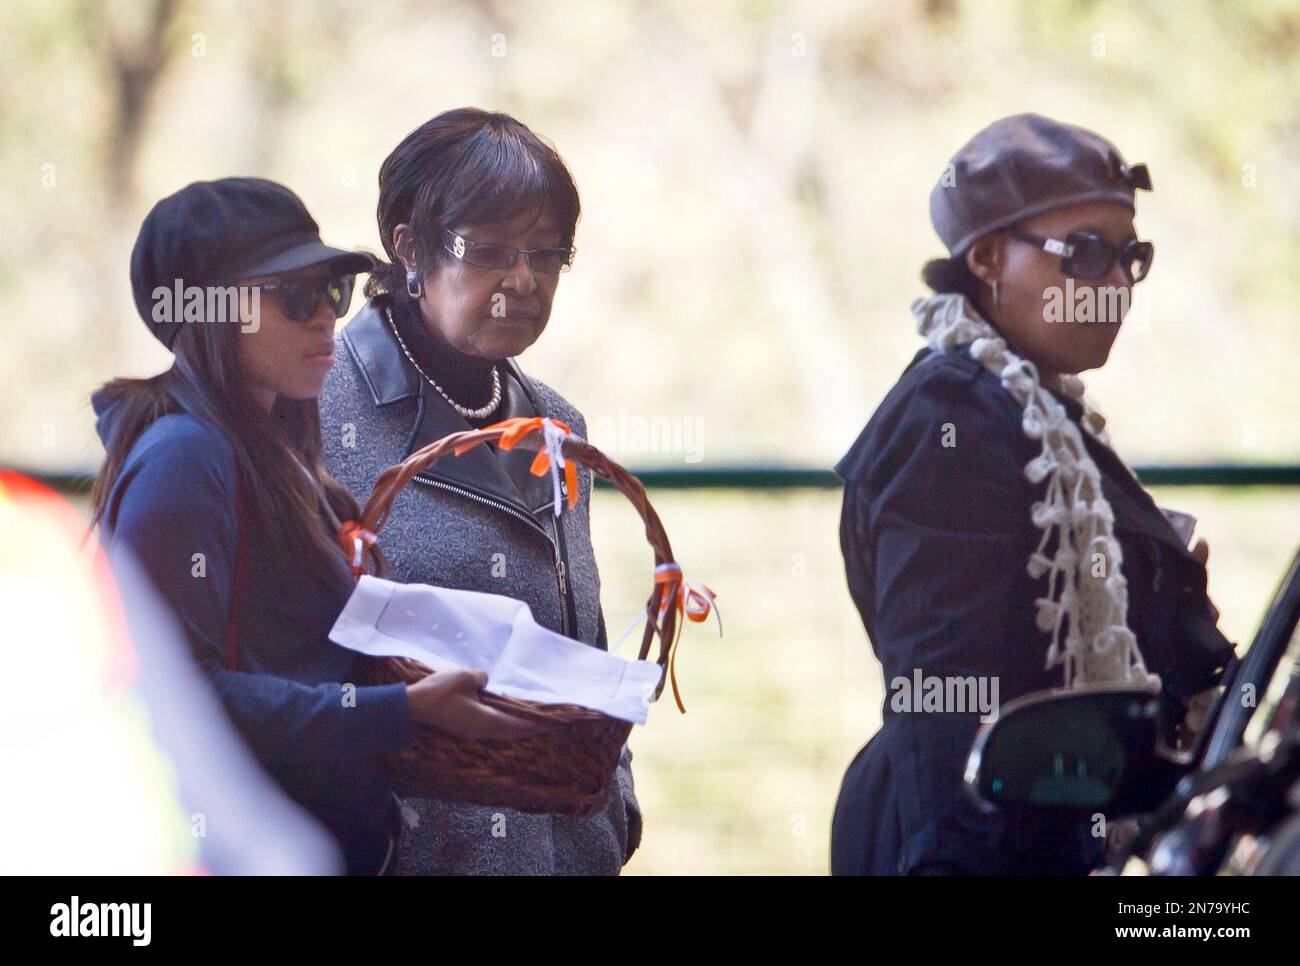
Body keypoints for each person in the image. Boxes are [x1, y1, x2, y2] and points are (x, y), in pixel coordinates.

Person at [92, 177, 544, 875]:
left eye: (332, 293)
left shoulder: (274, 451)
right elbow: (169, 698)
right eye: (296, 297)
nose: (325, 319)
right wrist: (401, 710)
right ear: (209, 313)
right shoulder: (185, 457)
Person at [829, 114, 1237, 875]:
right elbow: (949, 706)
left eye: (1130, 257)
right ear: (984, 258)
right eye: (1084, 254)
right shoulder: (951, 423)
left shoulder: (1039, 413)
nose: (1115, 285)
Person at [320, 109, 643, 874]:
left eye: (546, 253)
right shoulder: (321, 411)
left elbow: (581, 646)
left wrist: (615, 813)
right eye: (490, 250)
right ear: (409, 249)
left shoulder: (558, 423)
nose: (523, 280)